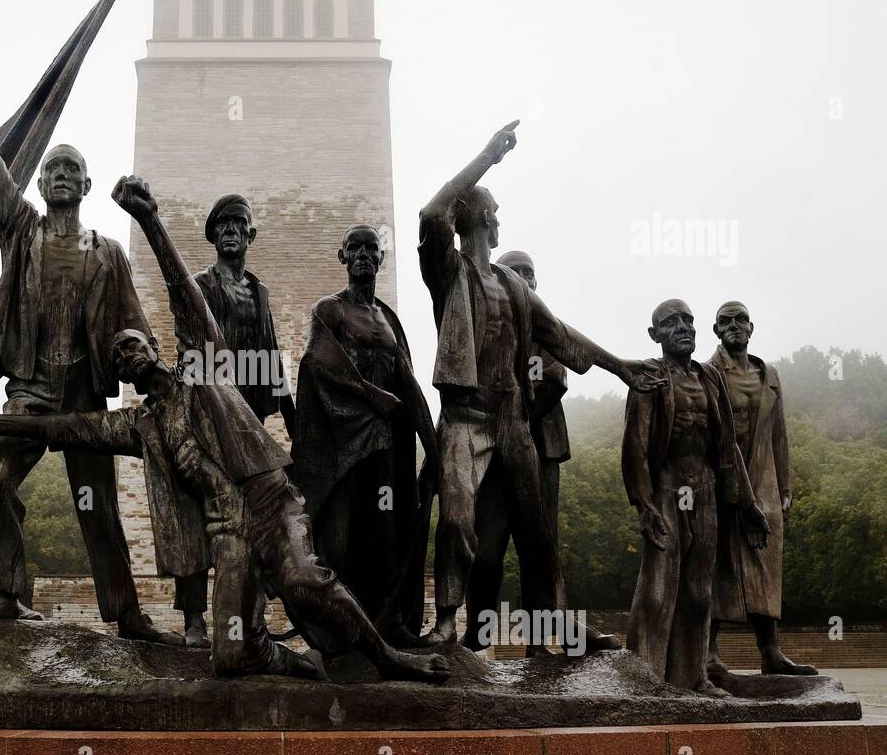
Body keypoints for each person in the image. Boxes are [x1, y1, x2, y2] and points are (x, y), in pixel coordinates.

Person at [0, 175, 451, 685]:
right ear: (122, 373)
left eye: (134, 343)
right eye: (118, 353)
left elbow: (183, 296)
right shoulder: (142, 423)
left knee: (306, 581)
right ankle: (285, 658)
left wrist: (149, 219)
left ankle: (390, 659)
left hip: (267, 504)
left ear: (155, 348)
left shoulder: (204, 371)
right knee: (229, 657)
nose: (126, 352)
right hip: (228, 532)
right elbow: (71, 427)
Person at [0, 18, 178, 645]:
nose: (62, 175)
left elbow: (136, 322)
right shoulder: (21, 230)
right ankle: (3, 591)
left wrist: (149, 363)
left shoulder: (107, 253)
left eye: (73, 168)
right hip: (28, 390)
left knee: (96, 506)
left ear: (88, 185)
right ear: (40, 186)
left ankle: (125, 613)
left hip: (84, 395)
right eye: (53, 169)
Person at [417, 120, 648, 652]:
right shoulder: (449, 272)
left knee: (539, 536)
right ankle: (449, 622)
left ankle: (553, 635)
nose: (498, 219)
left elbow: (560, 335)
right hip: (465, 417)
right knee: (455, 520)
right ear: (470, 215)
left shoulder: (513, 285)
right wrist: (487, 157)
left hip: (513, 420)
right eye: (491, 210)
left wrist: (622, 368)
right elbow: (431, 214)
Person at [622, 299, 768, 695]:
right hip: (667, 485)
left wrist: (749, 505)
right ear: (655, 335)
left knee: (700, 592)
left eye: (688, 319)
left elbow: (728, 447)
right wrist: (643, 502)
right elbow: (635, 445)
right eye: (672, 322)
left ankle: (693, 678)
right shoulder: (650, 377)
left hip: (704, 489)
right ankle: (644, 677)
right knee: (657, 587)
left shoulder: (709, 378)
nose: (684, 326)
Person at [293, 224, 435, 631]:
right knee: (337, 536)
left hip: (383, 447)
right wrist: (372, 394)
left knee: (387, 530)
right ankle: (338, 627)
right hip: (341, 448)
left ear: (381, 258)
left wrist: (434, 450)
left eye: (371, 248)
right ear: (342, 257)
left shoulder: (388, 320)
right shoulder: (330, 309)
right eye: (354, 248)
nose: (363, 255)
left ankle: (390, 625)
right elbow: (318, 361)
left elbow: (408, 384)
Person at [174, 192, 296, 648]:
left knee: (255, 516)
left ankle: (253, 617)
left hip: (248, 422)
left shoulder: (260, 291)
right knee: (195, 511)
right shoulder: (201, 284)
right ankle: (193, 619)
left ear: (250, 233)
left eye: (238, 222)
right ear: (213, 235)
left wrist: (293, 420)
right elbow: (187, 346)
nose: (230, 228)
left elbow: (273, 359)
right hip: (208, 415)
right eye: (221, 223)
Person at [705, 301, 813, 677]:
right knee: (717, 564)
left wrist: (785, 485)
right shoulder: (708, 373)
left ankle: (770, 652)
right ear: (716, 330)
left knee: (766, 566)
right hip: (722, 481)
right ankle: (709, 654)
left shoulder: (770, 376)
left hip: (764, 481)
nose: (734, 326)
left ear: (752, 327)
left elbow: (779, 435)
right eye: (725, 321)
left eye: (740, 320)